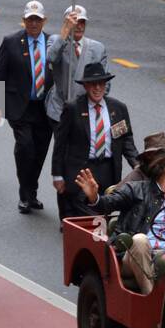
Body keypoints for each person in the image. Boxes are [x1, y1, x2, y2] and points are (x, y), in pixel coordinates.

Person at [74, 142, 165, 296]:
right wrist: (94, 196)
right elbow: (107, 204)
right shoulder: (136, 189)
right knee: (140, 240)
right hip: (133, 256)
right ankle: (152, 300)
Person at [0, 0, 56, 214]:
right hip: (20, 106)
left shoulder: (52, 43)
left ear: (44, 21)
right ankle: (24, 195)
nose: (33, 23)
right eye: (30, 19)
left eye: (37, 19)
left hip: (45, 108)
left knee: (40, 152)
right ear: (23, 21)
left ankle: (32, 192)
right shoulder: (11, 42)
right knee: (25, 148)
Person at [52, 63, 139, 219]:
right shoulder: (73, 108)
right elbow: (60, 144)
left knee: (101, 214)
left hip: (107, 170)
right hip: (80, 172)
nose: (97, 88)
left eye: (101, 84)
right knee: (78, 218)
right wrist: (57, 175)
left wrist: (139, 166)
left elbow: (126, 141)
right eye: (93, 84)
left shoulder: (118, 109)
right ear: (85, 86)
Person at [44, 4, 108, 127]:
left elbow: (105, 81)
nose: (79, 26)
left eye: (82, 22)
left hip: (87, 110)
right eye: (75, 22)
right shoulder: (56, 41)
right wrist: (65, 33)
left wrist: (95, 103)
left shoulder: (97, 48)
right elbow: (51, 58)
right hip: (60, 110)